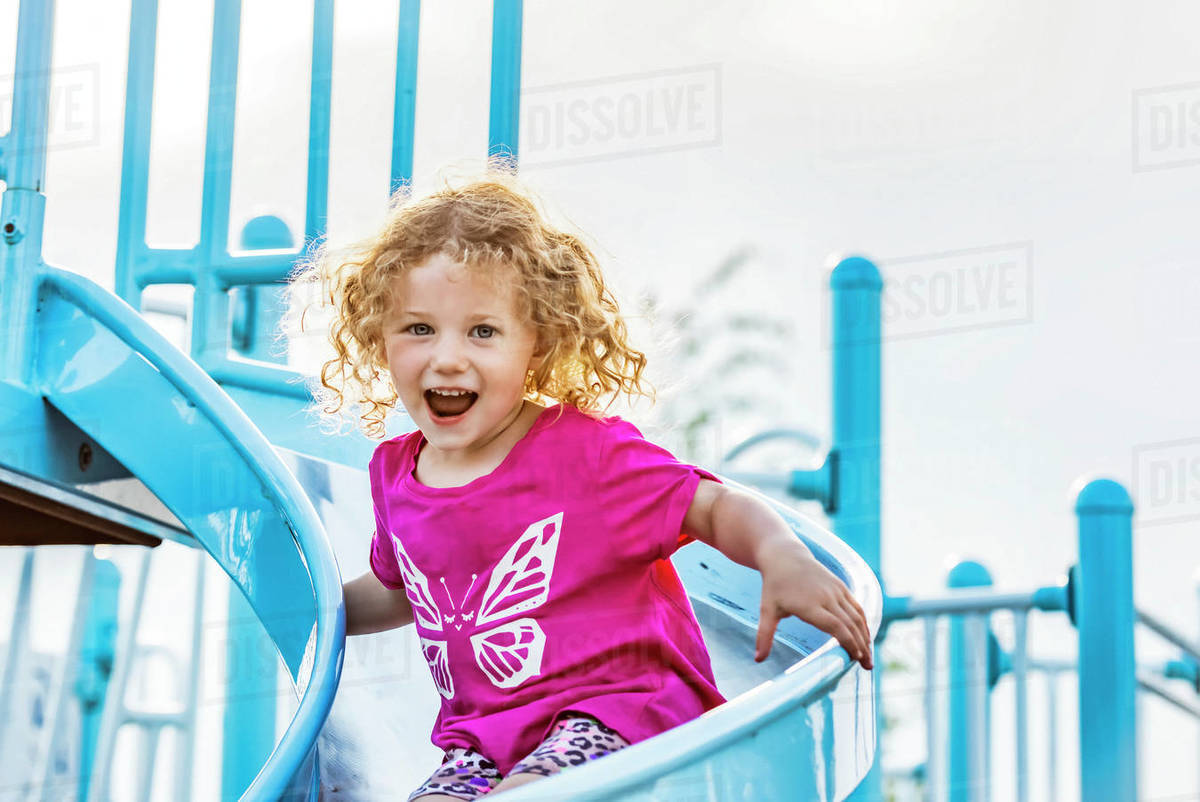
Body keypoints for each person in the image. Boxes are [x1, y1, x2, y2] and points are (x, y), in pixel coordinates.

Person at [291, 162, 873, 801]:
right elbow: (405, 588)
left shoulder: (584, 452)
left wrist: (778, 553)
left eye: (483, 331)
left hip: (619, 710)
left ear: (535, 345)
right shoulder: (395, 473)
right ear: (379, 339)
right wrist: (321, 611)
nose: (448, 355)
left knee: (538, 793)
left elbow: (709, 505)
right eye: (419, 328)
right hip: (482, 740)